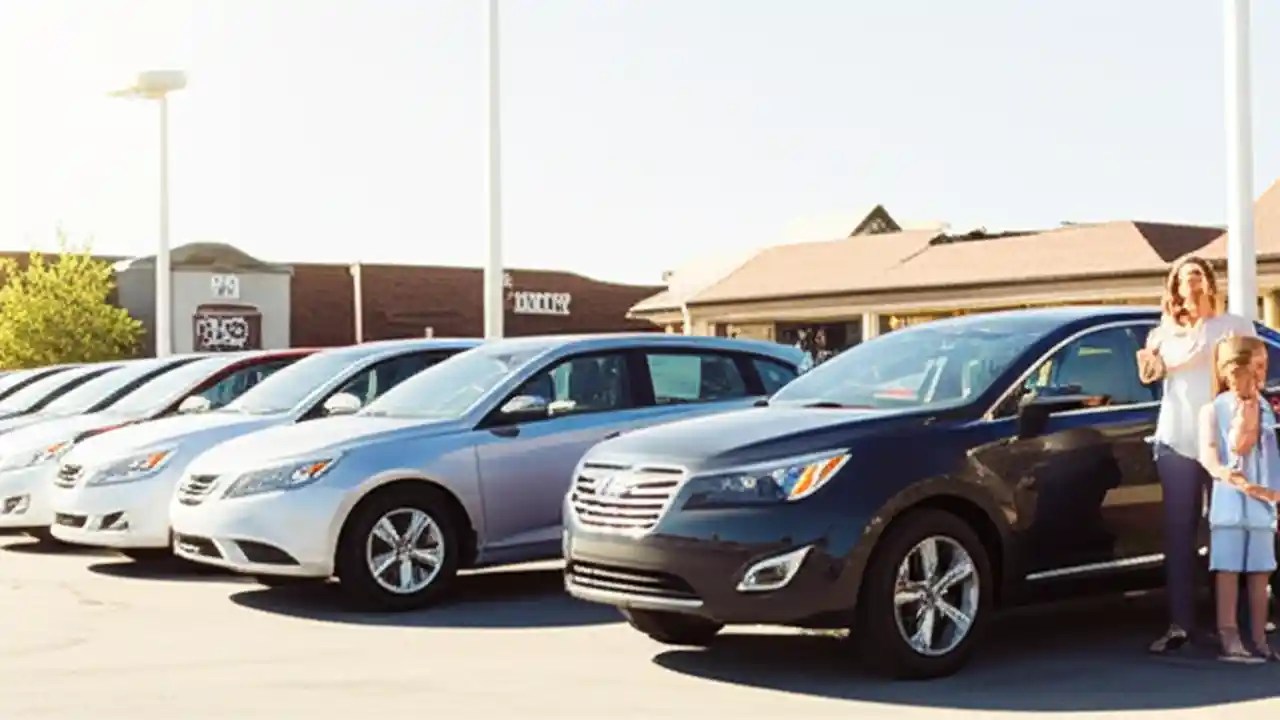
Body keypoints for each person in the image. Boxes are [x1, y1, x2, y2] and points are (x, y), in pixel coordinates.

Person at [1137, 254, 1257, 654]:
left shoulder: (1232, 326)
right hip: (1176, 441)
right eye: (1182, 276)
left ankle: (1238, 622)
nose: (1190, 281)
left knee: (1229, 526)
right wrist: (1149, 361)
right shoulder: (1162, 334)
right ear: (1173, 287)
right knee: (1179, 533)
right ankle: (1180, 624)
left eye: (1196, 274)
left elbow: (1256, 367)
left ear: (1208, 281)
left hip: (1223, 440)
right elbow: (1149, 374)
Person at [1197, 335, 1278, 662]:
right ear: (1235, 369)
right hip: (1230, 500)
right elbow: (1211, 454)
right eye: (1257, 366)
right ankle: (1228, 634)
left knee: (1261, 569)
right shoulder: (1213, 410)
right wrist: (1225, 473)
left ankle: (1259, 636)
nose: (1262, 373)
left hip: (1263, 500)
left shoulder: (1265, 408)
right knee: (1228, 567)